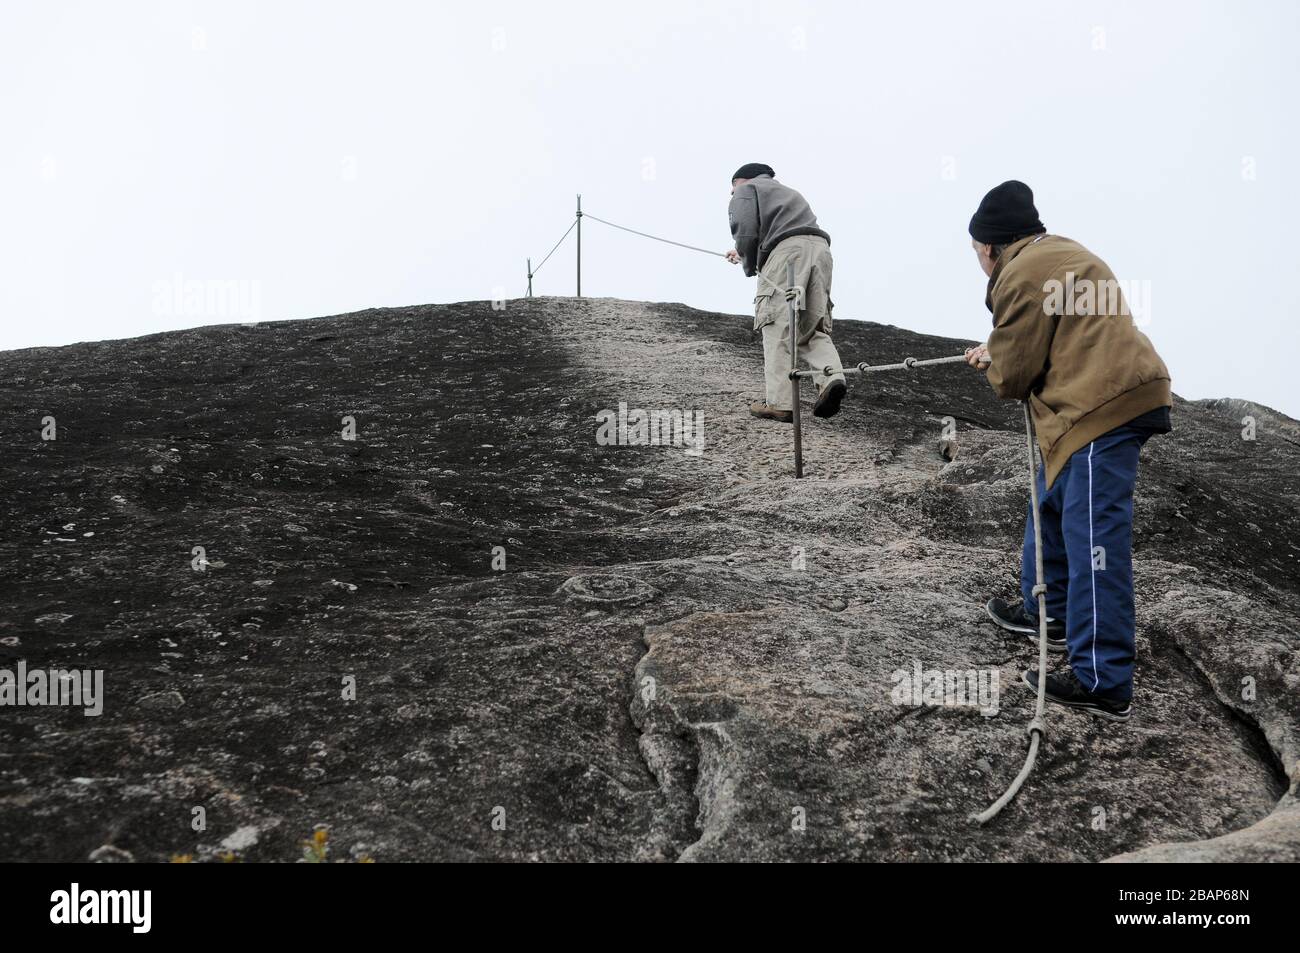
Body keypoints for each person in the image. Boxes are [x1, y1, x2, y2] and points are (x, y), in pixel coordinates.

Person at [964, 180, 1172, 722]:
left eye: (976, 254)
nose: (980, 265)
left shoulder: (1022, 273)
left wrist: (993, 361)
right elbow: (1057, 334)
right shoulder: (1062, 252)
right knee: (1049, 502)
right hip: (1098, 404)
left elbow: (1014, 374)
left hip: (1099, 409)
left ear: (990, 247)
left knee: (1092, 539)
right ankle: (1050, 611)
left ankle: (1102, 680)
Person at [726, 163, 846, 422]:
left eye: (732, 187)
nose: (731, 193)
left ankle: (780, 402)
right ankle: (831, 378)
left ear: (740, 180)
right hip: (820, 251)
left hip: (786, 254)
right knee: (811, 327)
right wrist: (748, 255)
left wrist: (747, 262)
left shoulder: (746, 189)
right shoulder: (789, 192)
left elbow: (745, 229)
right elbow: (781, 230)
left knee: (777, 322)